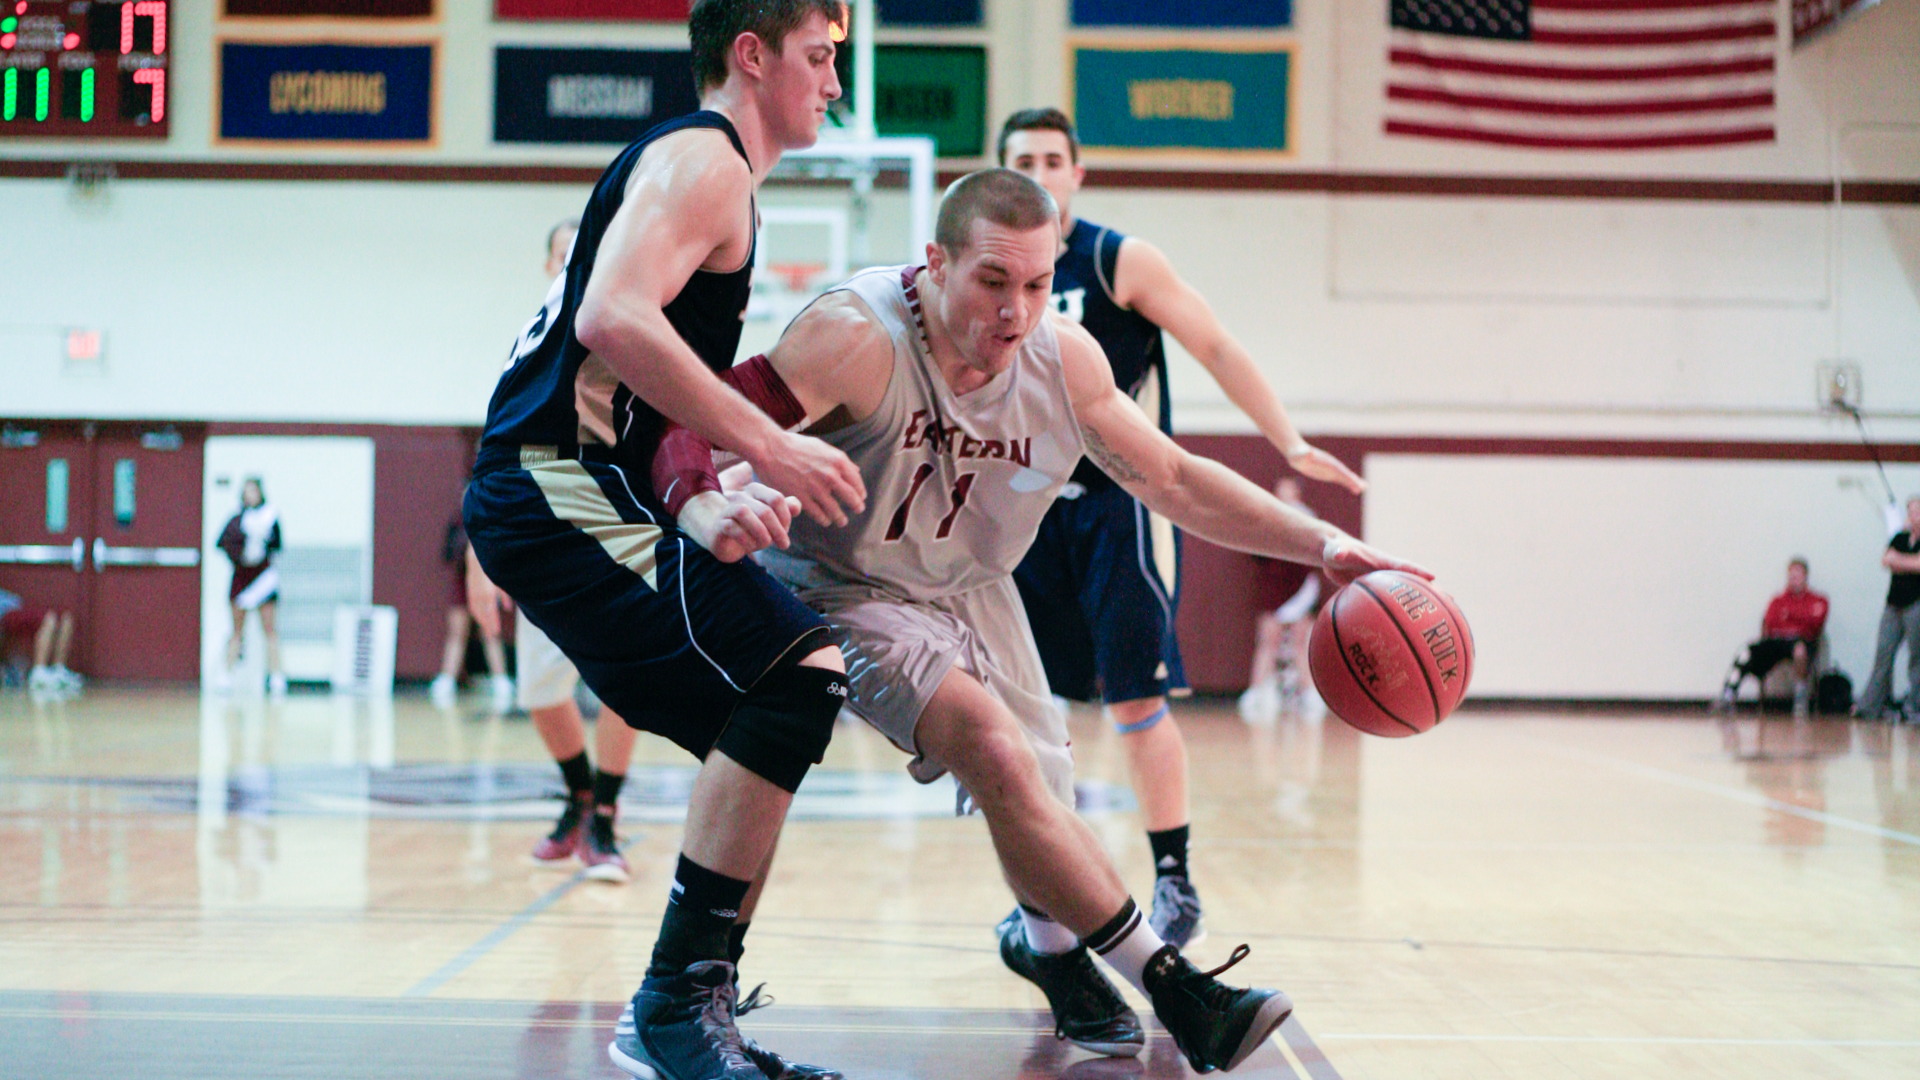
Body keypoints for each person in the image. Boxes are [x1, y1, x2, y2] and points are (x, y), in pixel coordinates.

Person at [653, 168, 1429, 1072]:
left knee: (1044, 798)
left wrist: (1322, 542)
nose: (1015, 309)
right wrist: (707, 500)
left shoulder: (1066, 361)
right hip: (842, 585)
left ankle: (1049, 950)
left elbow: (1174, 480)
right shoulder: (855, 337)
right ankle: (1182, 991)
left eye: (1035, 283)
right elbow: (687, 425)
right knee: (993, 747)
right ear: (936, 263)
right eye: (992, 280)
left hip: (974, 587)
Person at [461, 3, 865, 1079]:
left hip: (584, 483)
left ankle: (691, 1008)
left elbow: (629, 398)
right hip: (547, 483)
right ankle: (673, 1012)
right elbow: (612, 320)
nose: (834, 83)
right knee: (796, 670)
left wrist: (694, 505)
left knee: (773, 711)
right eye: (820, 57)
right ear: (752, 55)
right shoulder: (708, 161)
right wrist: (767, 446)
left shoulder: (709, 173)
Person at [997, 107, 1367, 948]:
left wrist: (1288, 440)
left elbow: (1217, 345)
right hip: (1020, 510)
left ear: (1076, 174)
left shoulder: (1116, 260)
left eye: (1053, 159)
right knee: (1028, 718)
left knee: (1136, 698)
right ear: (999, 172)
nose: (1039, 173)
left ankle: (1174, 877)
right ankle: (1044, 897)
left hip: (1119, 504)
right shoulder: (991, 275)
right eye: (1023, 160)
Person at [1239, 478, 1325, 723]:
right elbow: (1256, 555)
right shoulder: (1266, 520)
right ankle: (1255, 693)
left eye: (1289, 491)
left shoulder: (1308, 520)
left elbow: (1316, 555)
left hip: (1300, 589)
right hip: (1274, 590)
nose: (1284, 496)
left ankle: (1310, 695)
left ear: (1297, 494)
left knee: (1300, 643)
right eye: (1280, 492)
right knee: (1268, 641)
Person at [1716, 558, 1830, 718]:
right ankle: (1728, 694)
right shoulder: (1778, 601)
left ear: (1805, 577)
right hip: (1777, 642)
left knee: (1799, 650)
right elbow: (1770, 623)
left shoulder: (1818, 600)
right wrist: (1799, 619)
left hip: (1802, 641)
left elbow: (1815, 624)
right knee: (1745, 652)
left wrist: (1789, 617)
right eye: (1791, 576)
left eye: (1797, 576)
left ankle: (1800, 697)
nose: (1794, 580)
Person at [431, 512, 515, 712]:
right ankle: (447, 679)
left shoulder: (489, 518)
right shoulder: (457, 523)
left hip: (487, 583)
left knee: (490, 632)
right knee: (457, 633)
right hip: (461, 586)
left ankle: (500, 680)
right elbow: (448, 554)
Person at [214, 477, 287, 696]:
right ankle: (226, 673)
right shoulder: (237, 520)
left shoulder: (271, 517)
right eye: (247, 491)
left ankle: (276, 675)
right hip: (242, 577)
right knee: (237, 630)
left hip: (263, 576)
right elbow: (221, 543)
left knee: (269, 629)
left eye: (254, 491)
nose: (250, 495)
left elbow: (278, 545)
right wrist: (238, 554)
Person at [1858, 497, 1920, 723]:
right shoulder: (1900, 537)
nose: (1913, 517)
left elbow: (1912, 564)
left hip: (1916, 604)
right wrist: (1908, 562)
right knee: (1883, 655)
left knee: (1917, 658)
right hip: (1893, 605)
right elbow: (1886, 560)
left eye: (1918, 512)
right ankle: (1871, 706)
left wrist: (1899, 561)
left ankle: (1914, 707)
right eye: (1911, 512)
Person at [1, 589, 80, 695]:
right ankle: (39, 671)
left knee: (66, 618)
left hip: (14, 605)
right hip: (5, 612)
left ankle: (59, 669)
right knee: (49, 618)